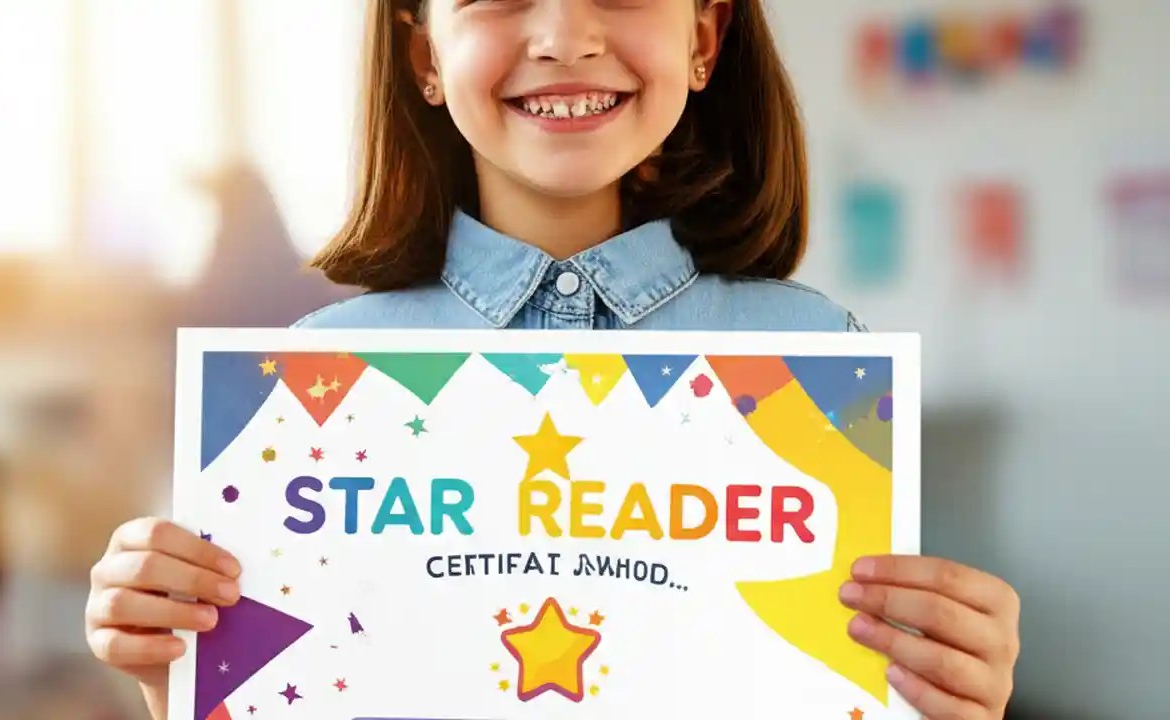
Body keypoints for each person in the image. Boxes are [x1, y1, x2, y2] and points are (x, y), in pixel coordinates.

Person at [85, 1, 1021, 718]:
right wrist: (186, 675)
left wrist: (945, 682)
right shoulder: (316, 376)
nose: (565, 36)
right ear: (423, 53)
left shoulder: (817, 355)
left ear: (704, 35)